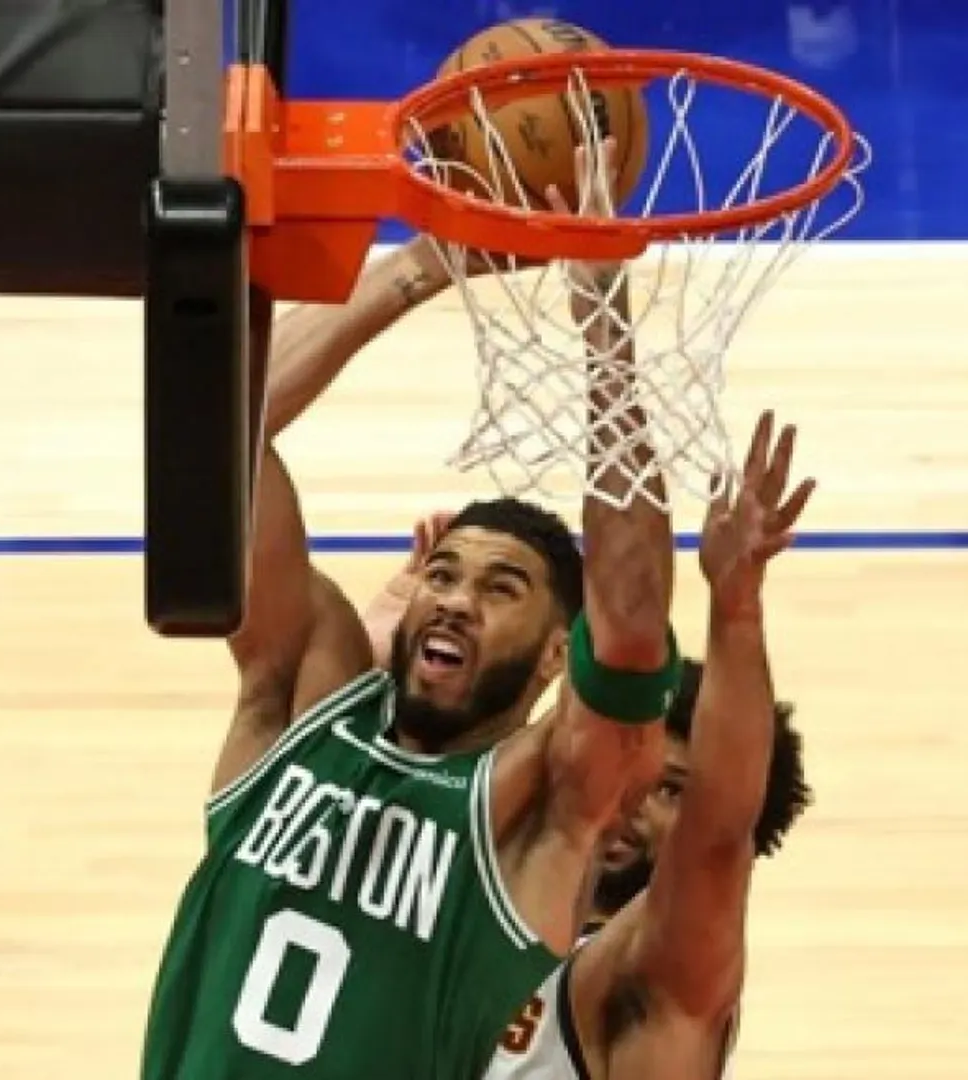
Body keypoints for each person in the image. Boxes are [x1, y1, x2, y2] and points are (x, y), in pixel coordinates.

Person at [140, 144, 688, 1080]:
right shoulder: (304, 705)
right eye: (444, 573)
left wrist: (601, 311)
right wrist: (422, 265)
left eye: (499, 588)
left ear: (559, 653)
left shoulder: (536, 811)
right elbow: (225, 433)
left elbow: (632, 619)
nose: (457, 600)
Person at [367, 416, 816, 1080]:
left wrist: (737, 608)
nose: (633, 801)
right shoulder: (486, 899)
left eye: (671, 790)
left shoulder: (651, 976)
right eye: (639, 775)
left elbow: (719, 830)